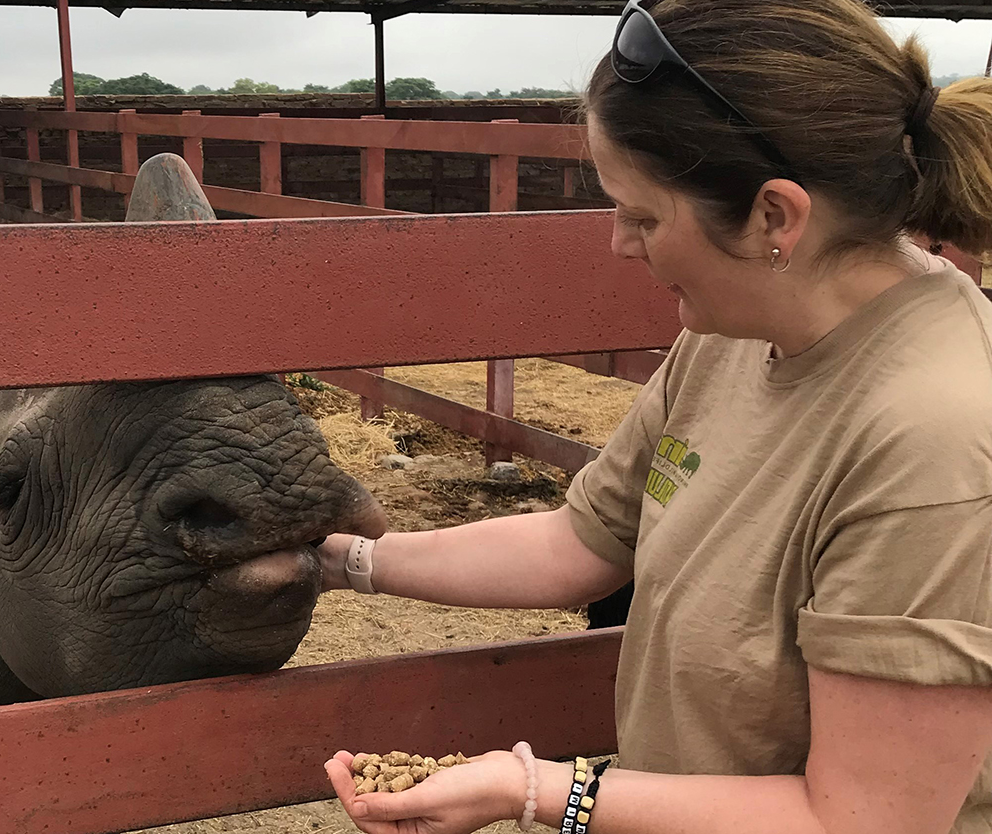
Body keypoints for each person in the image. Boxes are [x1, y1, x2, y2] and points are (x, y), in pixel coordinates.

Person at [318, 0, 992, 832]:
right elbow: (581, 542)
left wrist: (535, 793)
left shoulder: (936, 444)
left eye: (643, 216)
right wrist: (343, 560)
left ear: (774, 217)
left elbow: (862, 819)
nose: (618, 243)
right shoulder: (741, 329)